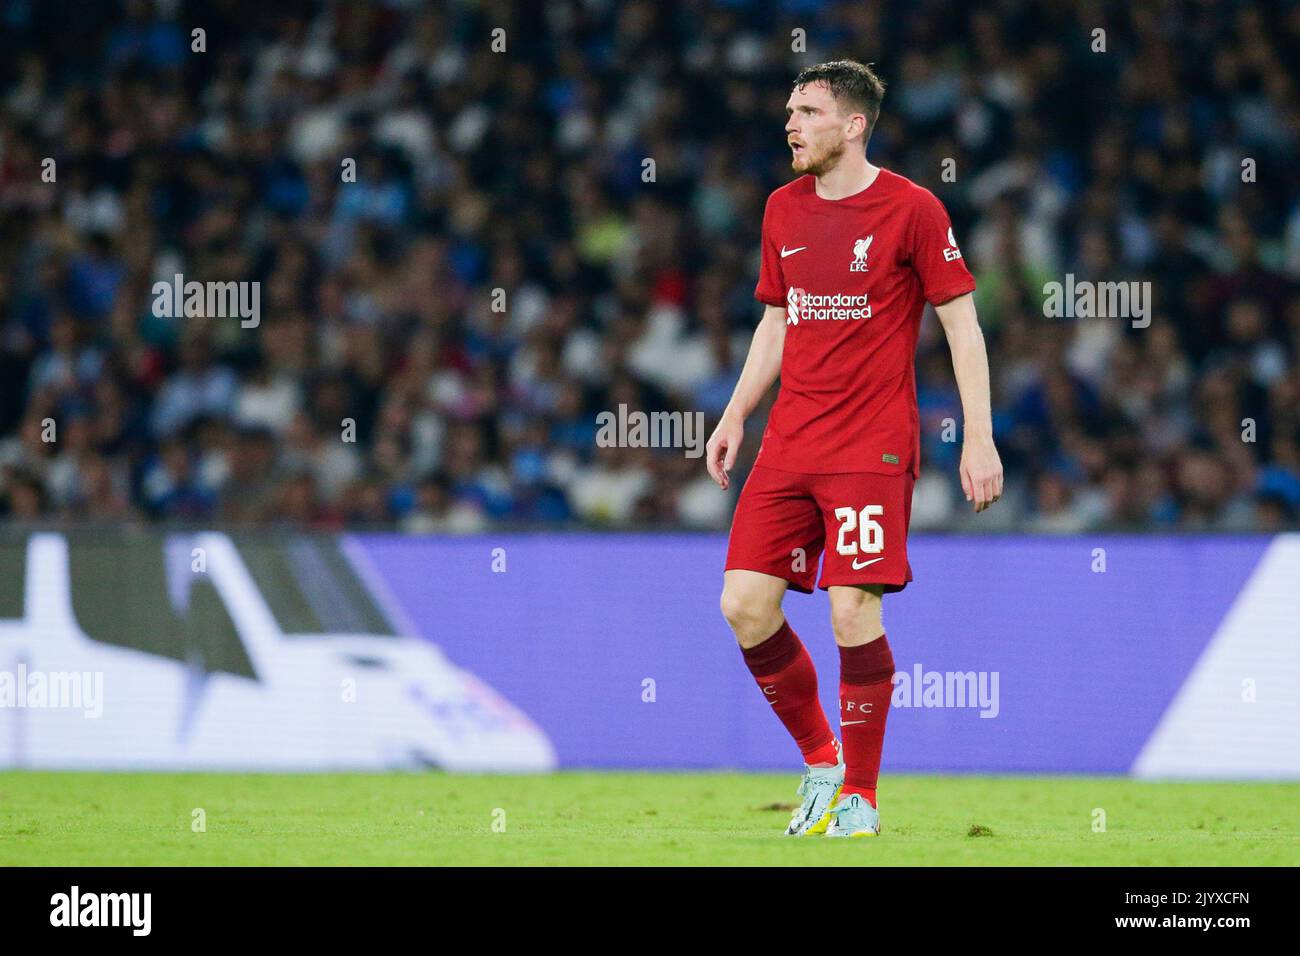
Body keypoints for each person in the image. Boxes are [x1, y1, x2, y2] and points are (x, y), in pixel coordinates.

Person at [706, 60, 1003, 838]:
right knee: (743, 604)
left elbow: (962, 325)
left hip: (870, 445)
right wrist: (737, 413)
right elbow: (776, 321)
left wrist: (978, 435)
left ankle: (862, 799)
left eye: (807, 111)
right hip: (790, 441)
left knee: (850, 608)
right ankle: (821, 759)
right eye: (789, 111)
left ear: (853, 125)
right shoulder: (781, 209)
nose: (791, 125)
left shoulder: (912, 209)